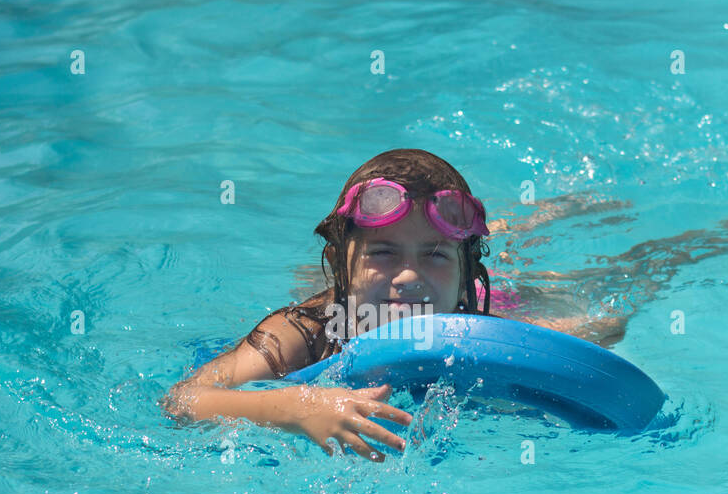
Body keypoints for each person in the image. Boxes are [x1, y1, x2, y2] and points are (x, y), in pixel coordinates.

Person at [163, 148, 622, 461]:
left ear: (465, 277)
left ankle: (535, 218)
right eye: (383, 252)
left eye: (435, 254)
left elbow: (589, 367)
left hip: (486, 304)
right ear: (341, 265)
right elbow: (183, 400)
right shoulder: (304, 334)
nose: (408, 276)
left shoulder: (482, 328)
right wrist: (296, 408)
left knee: (599, 320)